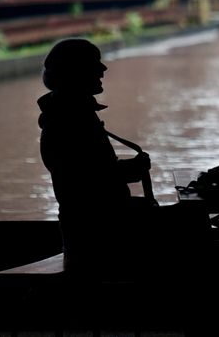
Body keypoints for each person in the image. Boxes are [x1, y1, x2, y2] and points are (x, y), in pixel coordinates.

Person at [37, 37, 157, 275]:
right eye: (94, 64)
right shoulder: (70, 121)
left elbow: (89, 173)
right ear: (76, 72)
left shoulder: (68, 115)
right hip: (97, 234)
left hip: (89, 229)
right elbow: (89, 179)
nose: (103, 69)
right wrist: (132, 170)